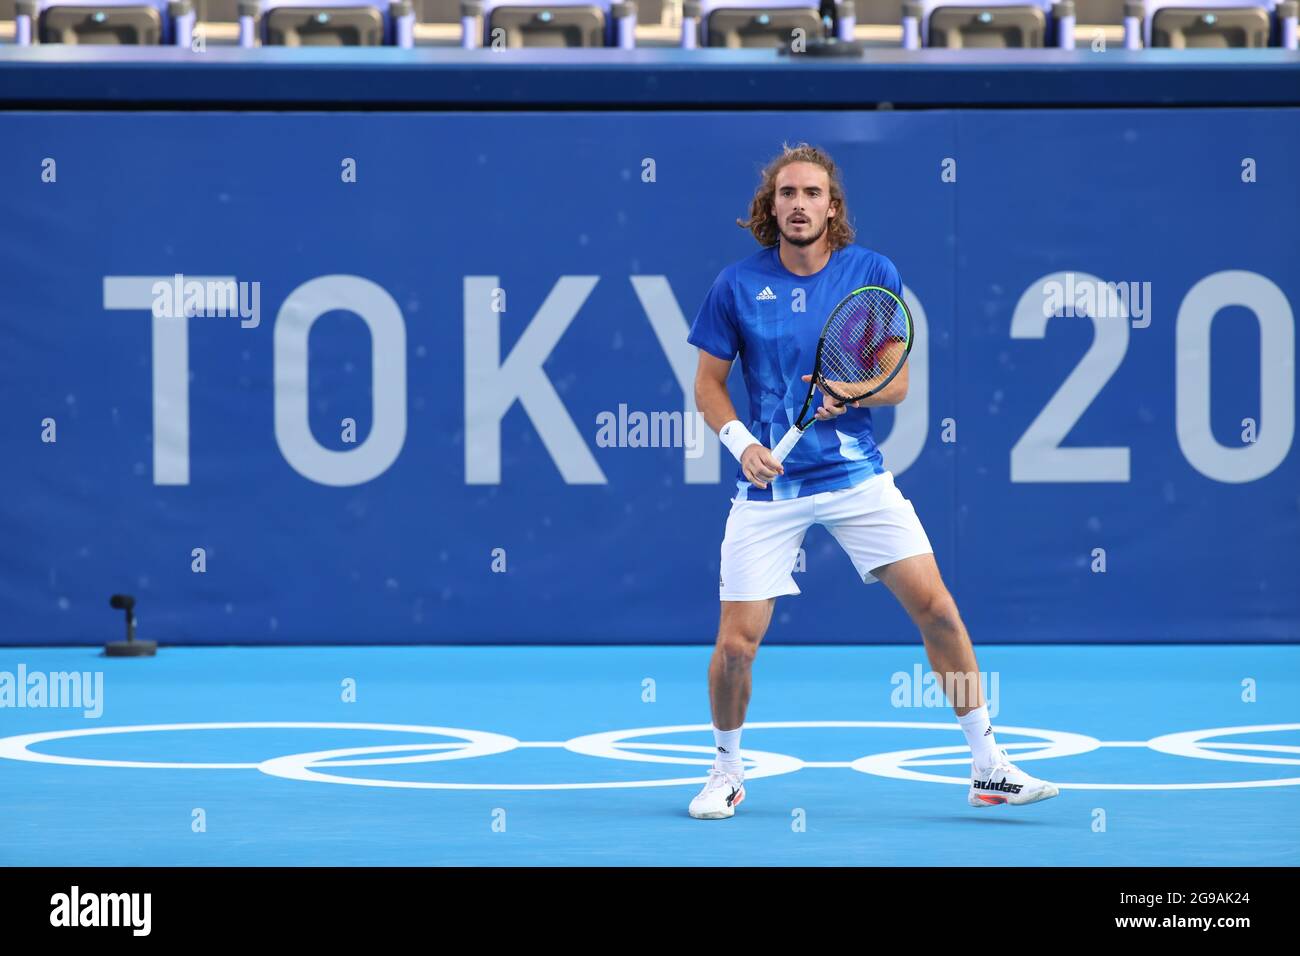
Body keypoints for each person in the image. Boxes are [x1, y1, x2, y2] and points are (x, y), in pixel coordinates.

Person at [686, 143, 1059, 819]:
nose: (799, 205)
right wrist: (741, 444)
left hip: (857, 477)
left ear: (833, 206)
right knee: (736, 646)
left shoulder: (870, 272)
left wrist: (847, 390)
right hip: (770, 489)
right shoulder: (736, 285)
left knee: (937, 609)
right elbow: (708, 386)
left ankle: (988, 766)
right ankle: (726, 771)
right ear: (772, 207)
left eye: (813, 194)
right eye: (788, 194)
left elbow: (896, 381)